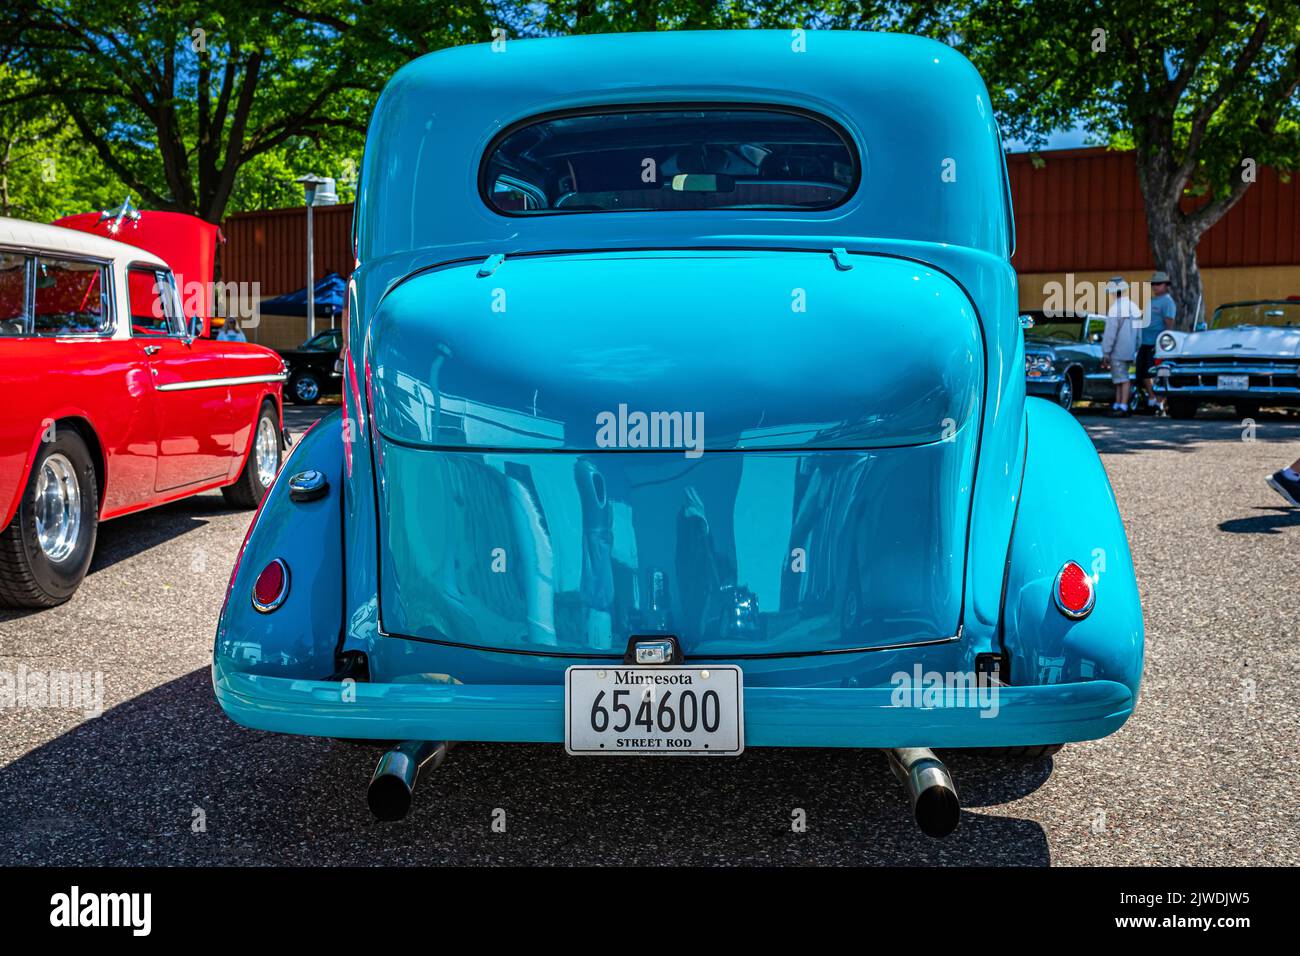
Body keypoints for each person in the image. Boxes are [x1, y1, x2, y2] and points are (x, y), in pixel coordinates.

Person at [1137, 270, 1176, 415]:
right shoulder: (1152, 301)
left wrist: (1164, 345)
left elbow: (1169, 324)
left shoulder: (1168, 302)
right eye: (1153, 284)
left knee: (1156, 373)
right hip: (1145, 342)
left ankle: (1159, 402)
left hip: (1156, 344)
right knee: (1143, 373)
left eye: (1158, 284)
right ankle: (1152, 398)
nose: (1155, 286)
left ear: (1166, 285)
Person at [1100, 276, 1140, 416]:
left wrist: (1106, 352)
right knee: (1120, 377)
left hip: (1117, 349)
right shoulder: (1134, 307)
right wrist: (1136, 348)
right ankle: (1118, 403)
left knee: (1121, 378)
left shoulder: (1115, 309)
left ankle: (1122, 405)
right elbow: (1139, 331)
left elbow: (1110, 333)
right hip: (1130, 349)